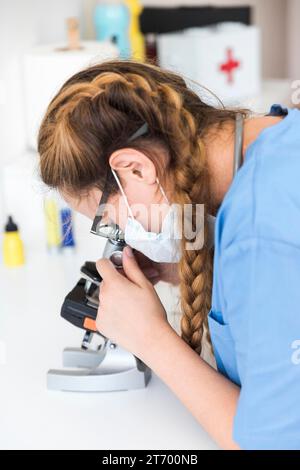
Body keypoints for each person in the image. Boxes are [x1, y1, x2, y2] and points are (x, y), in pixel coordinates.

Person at [38, 59, 300, 450]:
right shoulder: (272, 136)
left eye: (108, 218)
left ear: (137, 169)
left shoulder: (262, 232)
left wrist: (150, 338)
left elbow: (270, 444)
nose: (121, 235)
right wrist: (196, 260)